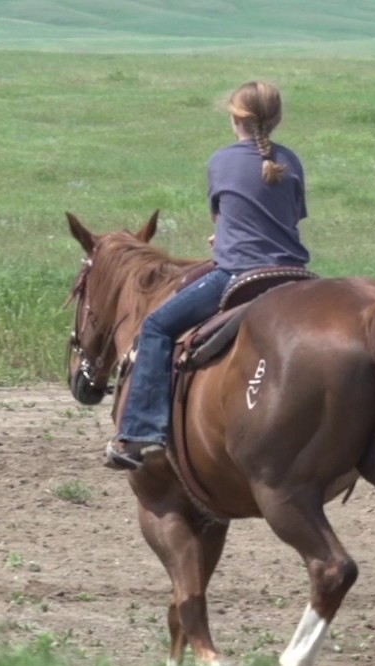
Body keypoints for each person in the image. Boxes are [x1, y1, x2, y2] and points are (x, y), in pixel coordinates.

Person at [105, 80, 310, 470]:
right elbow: (288, 218)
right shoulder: (291, 161)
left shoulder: (222, 161)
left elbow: (228, 213)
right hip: (293, 274)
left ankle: (141, 433)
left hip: (237, 274)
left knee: (156, 328)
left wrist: (226, 236)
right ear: (277, 119)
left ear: (236, 118)